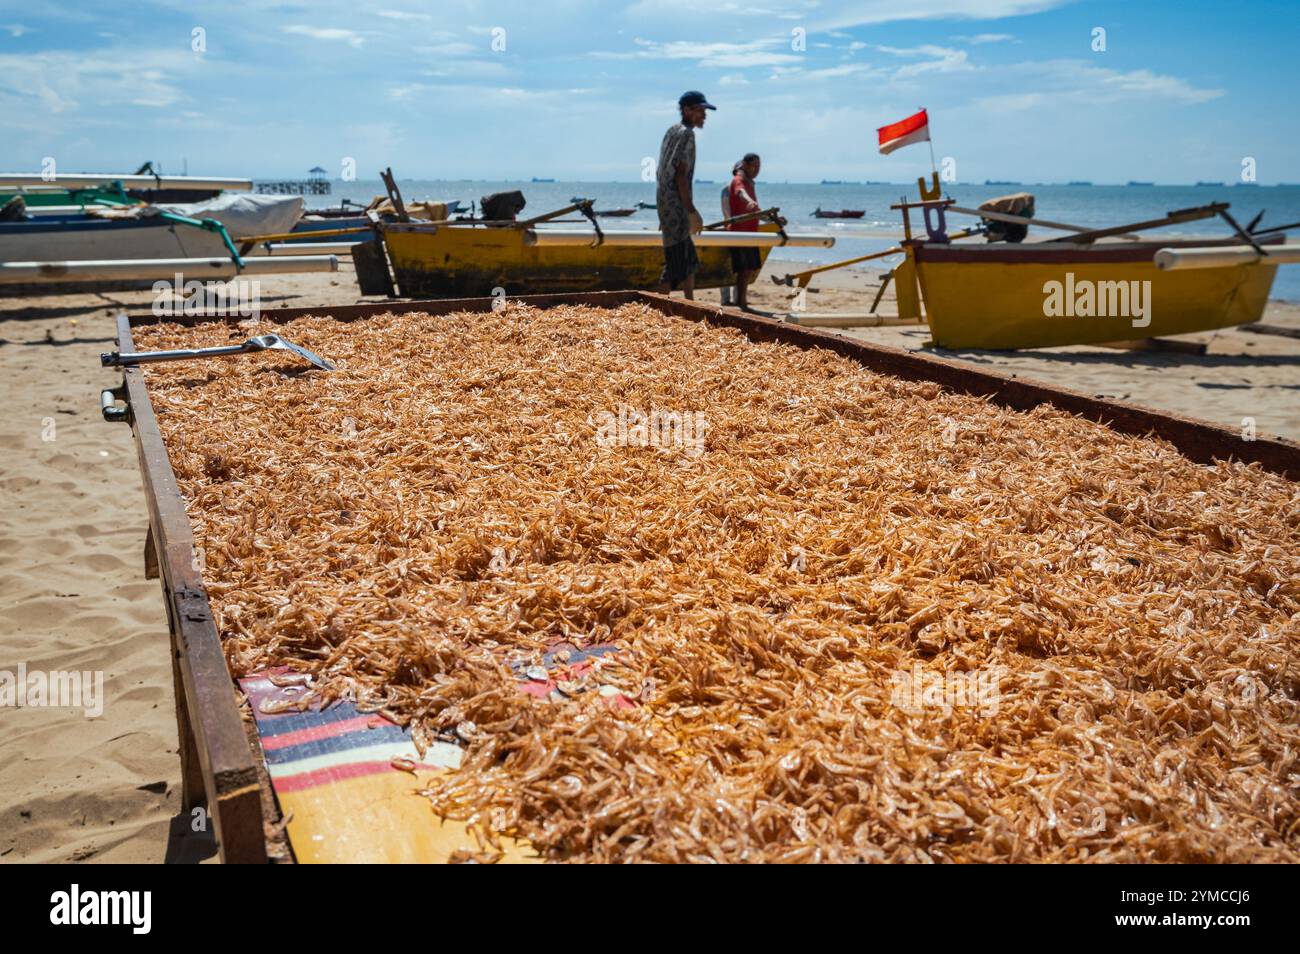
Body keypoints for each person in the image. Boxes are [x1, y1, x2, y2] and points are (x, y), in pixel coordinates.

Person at [656, 91, 714, 298]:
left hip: (665, 200)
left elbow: (663, 170)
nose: (704, 116)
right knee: (677, 261)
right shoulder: (687, 134)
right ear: (687, 110)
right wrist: (691, 212)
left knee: (688, 259)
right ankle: (660, 306)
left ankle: (690, 304)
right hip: (676, 203)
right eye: (700, 111)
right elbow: (681, 176)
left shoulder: (672, 130)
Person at [726, 153, 762, 310]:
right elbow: (741, 193)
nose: (757, 170)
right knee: (743, 270)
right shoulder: (738, 181)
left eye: (759, 167)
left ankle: (742, 301)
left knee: (749, 269)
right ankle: (741, 303)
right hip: (739, 234)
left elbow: (756, 211)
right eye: (754, 166)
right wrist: (749, 201)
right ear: (745, 166)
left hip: (751, 233)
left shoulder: (750, 183)